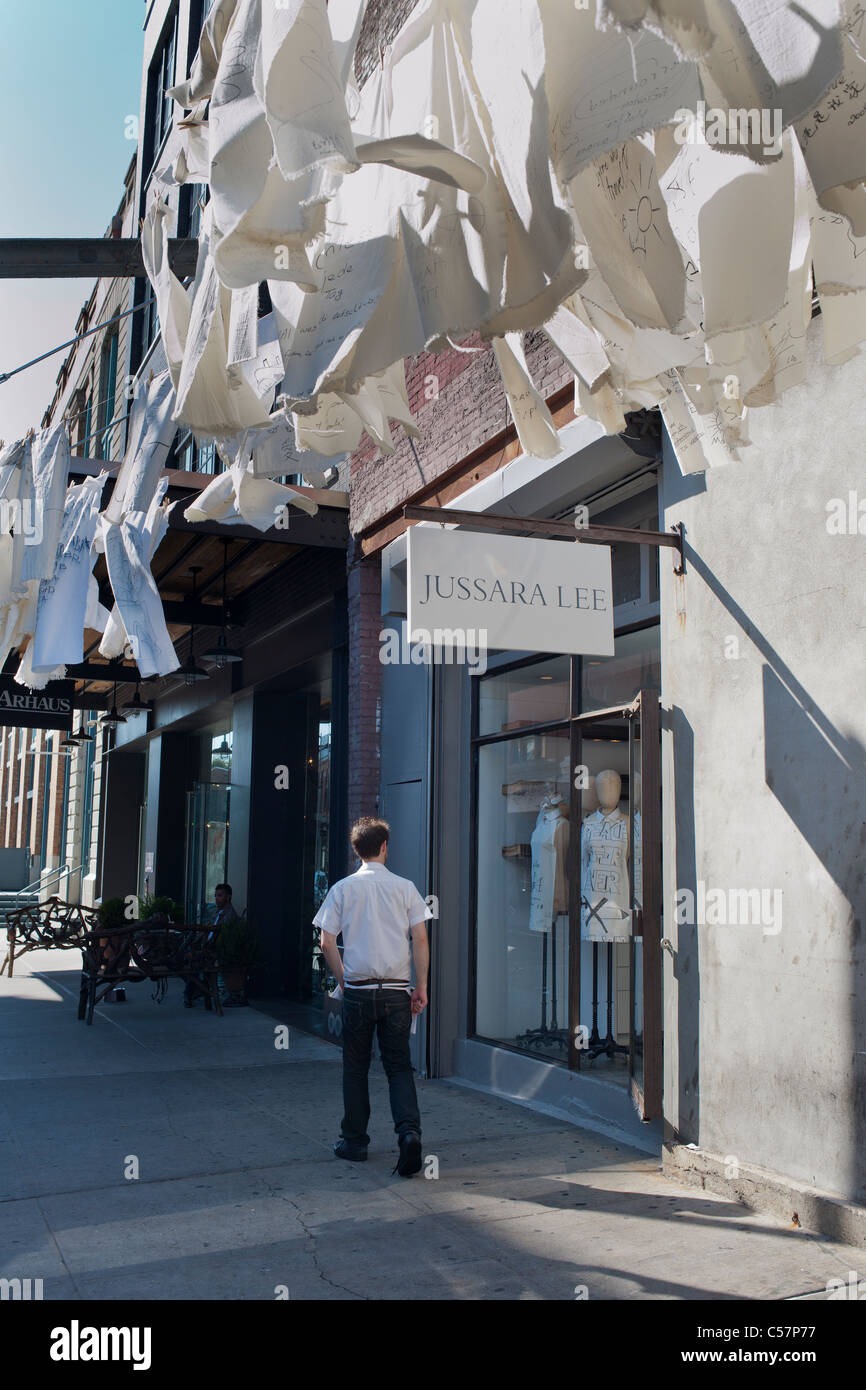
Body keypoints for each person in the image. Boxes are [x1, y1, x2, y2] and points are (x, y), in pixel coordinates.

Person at [315, 818, 432, 1176]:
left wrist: (343, 980)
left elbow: (326, 941)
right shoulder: (405, 888)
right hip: (396, 991)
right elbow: (421, 939)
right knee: (399, 1067)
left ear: (356, 851)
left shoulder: (343, 889)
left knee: (355, 1068)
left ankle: (354, 1142)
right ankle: (409, 1133)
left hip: (359, 991)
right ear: (384, 847)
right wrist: (421, 985)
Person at [184, 882, 240, 1007]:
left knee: (186, 960)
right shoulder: (218, 912)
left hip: (214, 951)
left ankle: (193, 991)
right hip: (206, 947)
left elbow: (219, 935)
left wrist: (201, 949)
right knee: (181, 958)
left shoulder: (229, 915)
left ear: (228, 897)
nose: (216, 899)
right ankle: (196, 989)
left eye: (220, 895)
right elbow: (208, 930)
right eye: (215, 896)